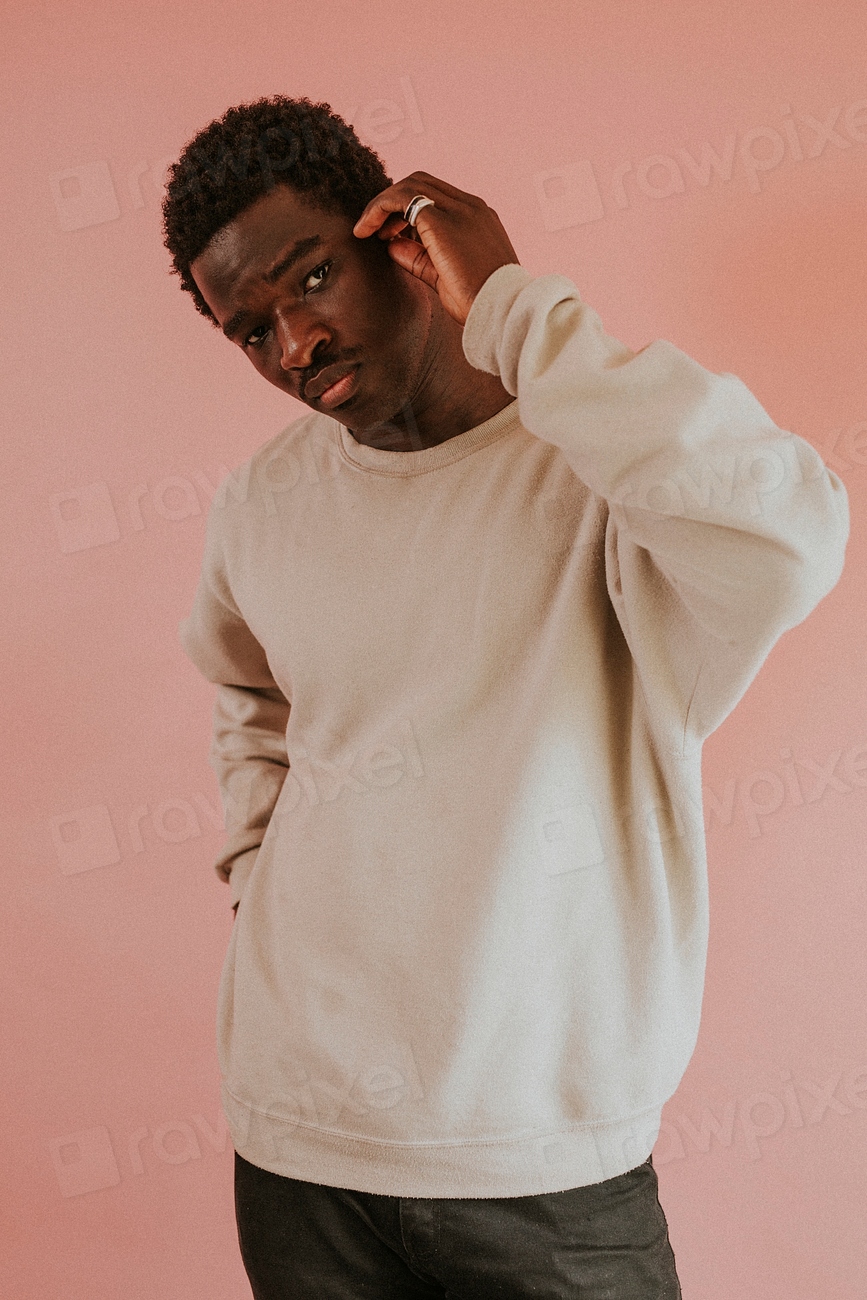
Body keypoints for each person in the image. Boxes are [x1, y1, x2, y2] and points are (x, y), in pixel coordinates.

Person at [162, 95, 849, 1299]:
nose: (293, 346)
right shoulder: (263, 502)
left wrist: (523, 312)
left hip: (544, 1170)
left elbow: (788, 533)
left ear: (397, 239)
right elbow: (247, 693)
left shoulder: (603, 472)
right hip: (298, 1148)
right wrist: (257, 869)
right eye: (250, 329)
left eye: (310, 278)